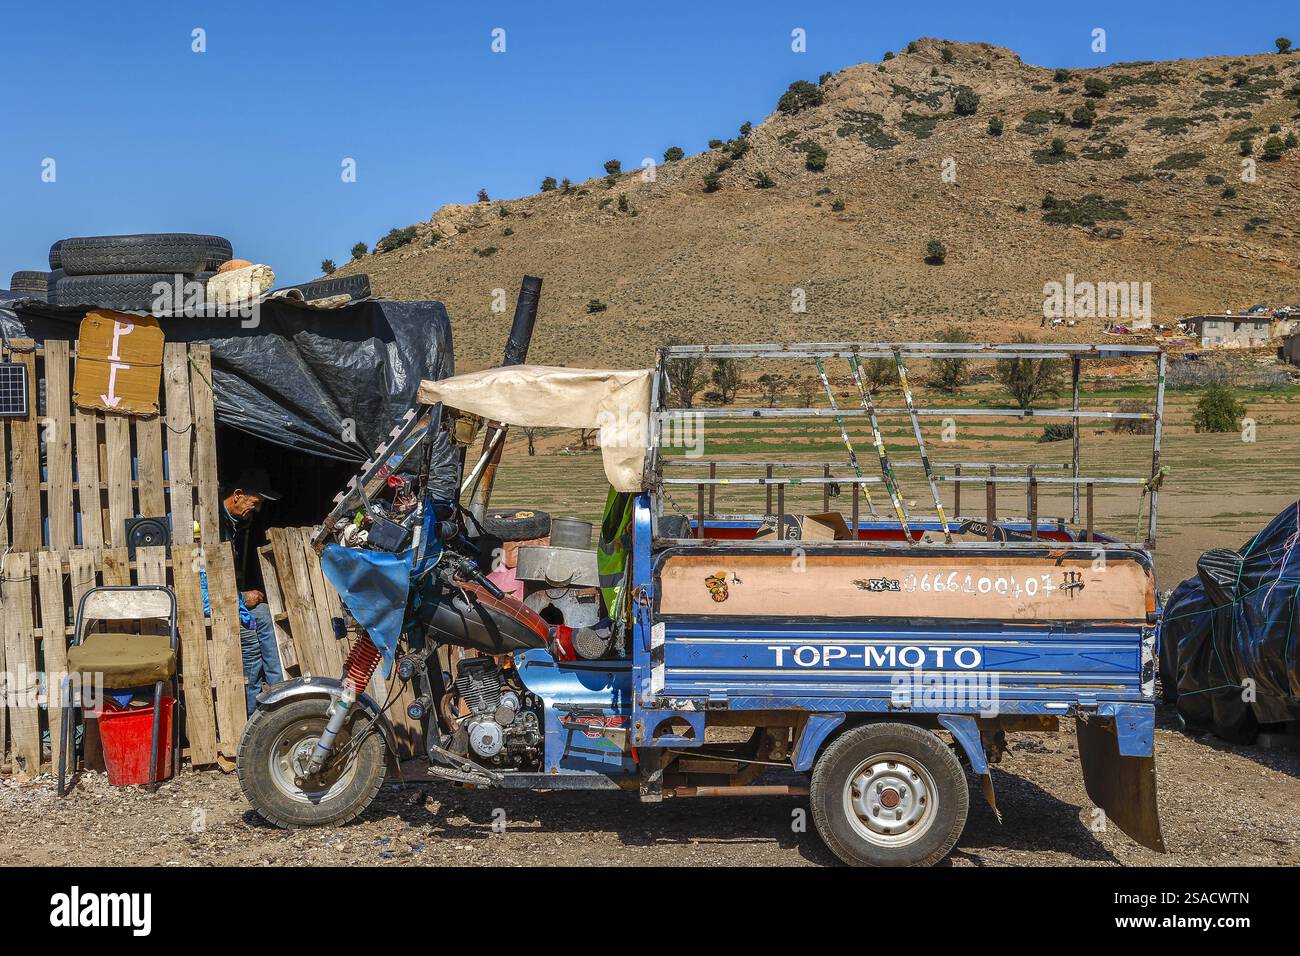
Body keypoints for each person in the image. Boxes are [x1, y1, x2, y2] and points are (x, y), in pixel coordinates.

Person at [221, 468, 284, 714]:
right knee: (250, 643)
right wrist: (239, 598)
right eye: (255, 503)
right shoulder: (210, 523)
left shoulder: (234, 524)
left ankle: (280, 692)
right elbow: (203, 591)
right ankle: (254, 714)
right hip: (219, 608)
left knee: (264, 613)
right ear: (237, 495)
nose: (257, 510)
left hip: (232, 602)